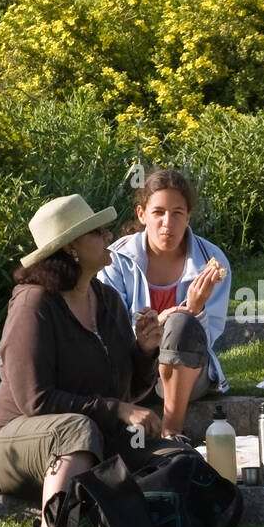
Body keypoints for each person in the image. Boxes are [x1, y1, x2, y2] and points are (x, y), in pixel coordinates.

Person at [0, 194, 165, 527]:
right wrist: (117, 409)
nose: (110, 234)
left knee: (172, 455)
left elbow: (122, 392)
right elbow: (37, 401)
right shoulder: (34, 304)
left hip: (88, 435)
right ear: (71, 248)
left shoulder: (108, 300)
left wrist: (143, 352)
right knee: (77, 429)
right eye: (98, 232)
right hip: (14, 442)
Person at [99, 168, 232, 439]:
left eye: (177, 213)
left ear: (188, 217)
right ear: (142, 214)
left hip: (188, 374)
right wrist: (158, 322)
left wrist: (196, 311)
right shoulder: (114, 259)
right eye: (158, 212)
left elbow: (207, 341)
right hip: (131, 371)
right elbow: (107, 327)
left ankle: (172, 430)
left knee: (183, 322)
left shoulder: (211, 261)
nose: (167, 223)